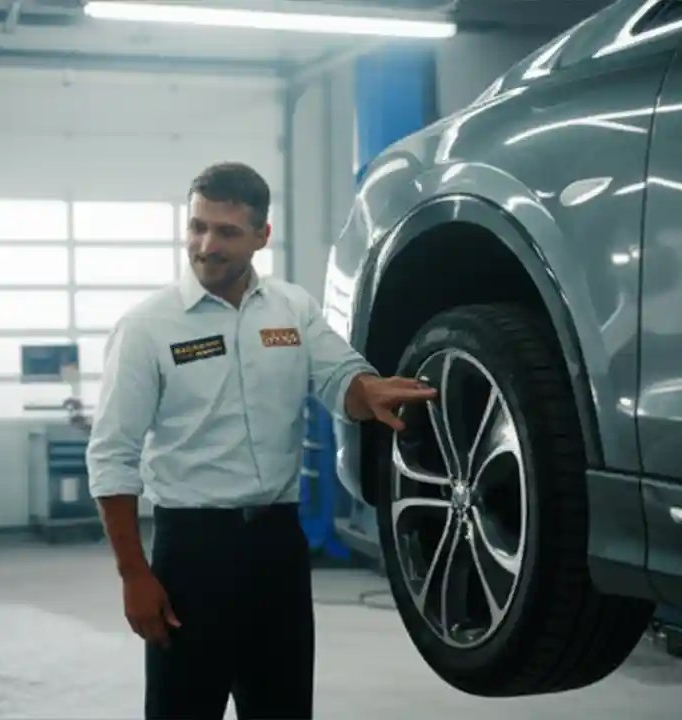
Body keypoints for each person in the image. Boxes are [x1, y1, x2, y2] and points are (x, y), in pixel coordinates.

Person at [86, 161, 436, 719]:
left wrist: (365, 390)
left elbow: (338, 377)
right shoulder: (147, 328)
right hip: (191, 553)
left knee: (283, 707)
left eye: (226, 232)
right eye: (197, 227)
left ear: (260, 236)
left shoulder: (290, 310)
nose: (206, 245)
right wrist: (134, 573)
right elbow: (111, 457)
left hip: (277, 548)